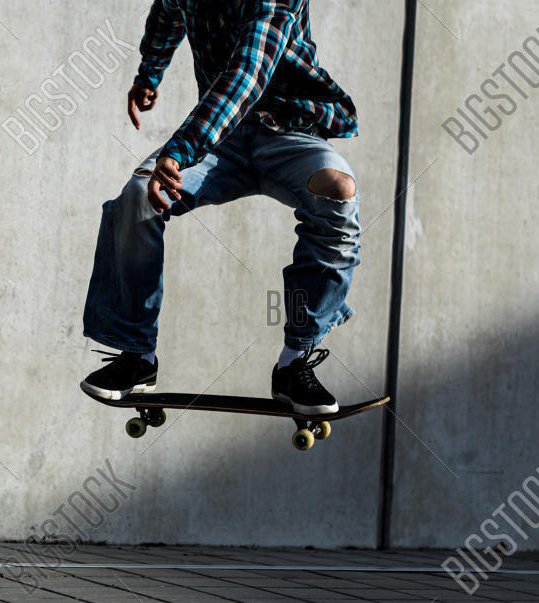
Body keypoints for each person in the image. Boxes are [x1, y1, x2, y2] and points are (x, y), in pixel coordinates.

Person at [80, 0, 361, 415]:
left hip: (287, 131)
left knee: (338, 190)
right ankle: (136, 357)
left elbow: (245, 76)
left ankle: (294, 361)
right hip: (222, 141)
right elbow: (165, 14)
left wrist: (178, 150)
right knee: (139, 197)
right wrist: (149, 73)